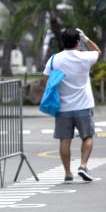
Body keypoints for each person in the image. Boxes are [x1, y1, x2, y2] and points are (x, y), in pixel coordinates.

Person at [43, 28, 101, 183]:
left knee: (64, 140)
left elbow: (46, 81)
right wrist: (86, 38)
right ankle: (83, 165)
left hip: (62, 107)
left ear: (62, 42)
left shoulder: (54, 59)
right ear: (77, 42)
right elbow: (97, 51)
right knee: (87, 137)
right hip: (83, 105)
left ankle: (68, 173)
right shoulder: (85, 57)